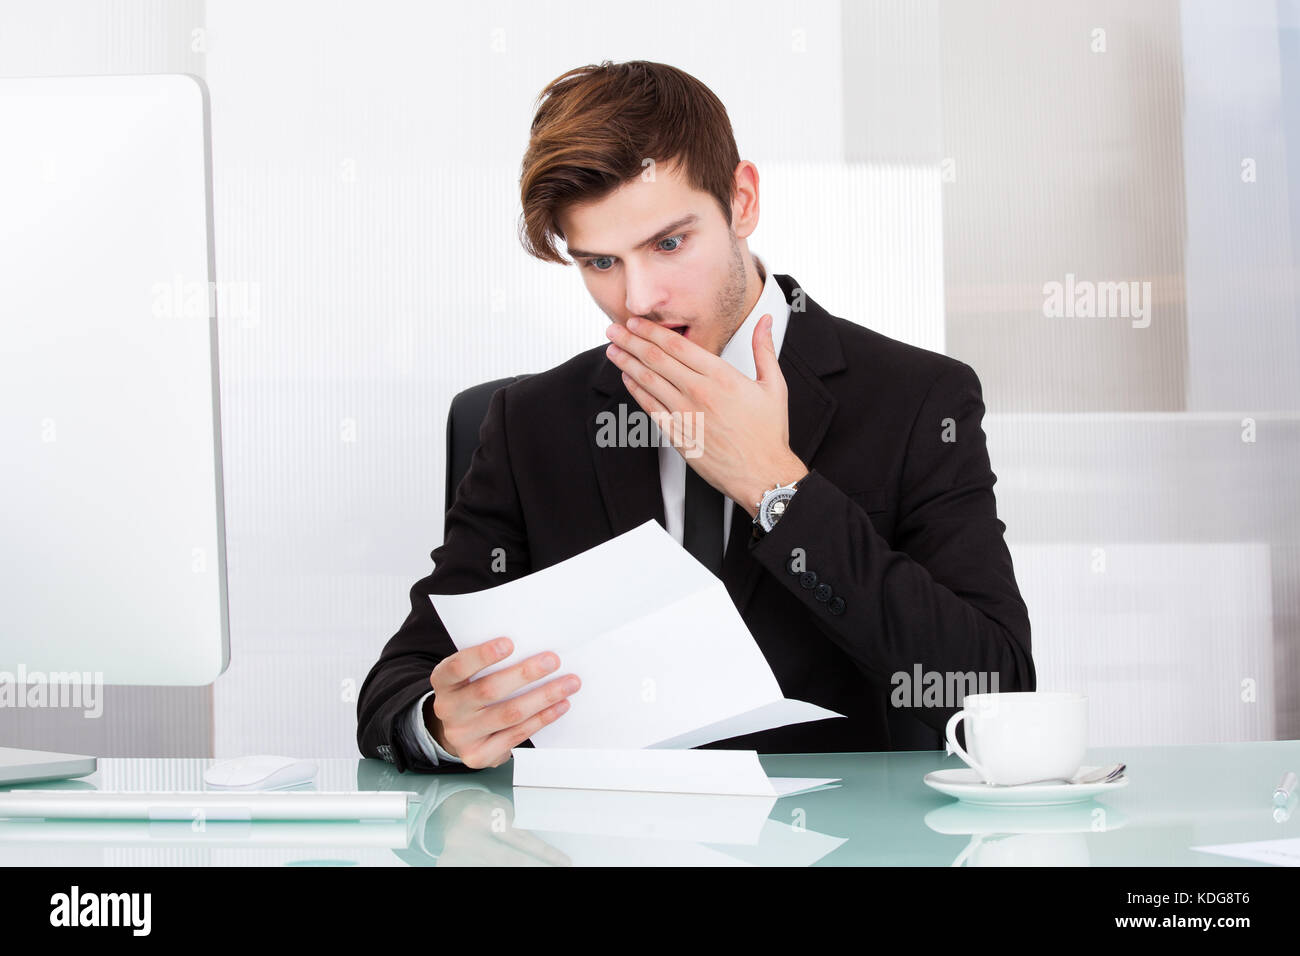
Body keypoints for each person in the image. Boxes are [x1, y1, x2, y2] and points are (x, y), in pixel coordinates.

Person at [357, 59, 1034, 773]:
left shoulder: (917, 399)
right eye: (600, 263)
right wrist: (437, 722)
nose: (639, 299)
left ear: (741, 201)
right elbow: (396, 687)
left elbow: (997, 692)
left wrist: (779, 489)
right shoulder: (531, 424)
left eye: (669, 244)